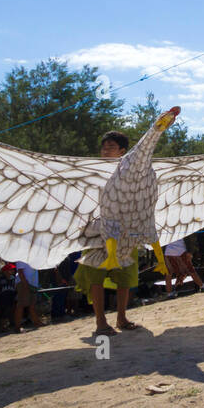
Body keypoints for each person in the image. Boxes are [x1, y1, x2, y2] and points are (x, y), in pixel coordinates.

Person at [73, 131, 141, 336]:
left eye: (111, 147)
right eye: (104, 147)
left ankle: (122, 317)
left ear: (122, 151)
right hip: (97, 230)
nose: (105, 150)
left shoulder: (131, 172)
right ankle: (100, 322)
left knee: (125, 276)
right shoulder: (91, 172)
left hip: (124, 230)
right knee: (95, 276)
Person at [12, 261, 42, 332]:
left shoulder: (32, 257)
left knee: (32, 304)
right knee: (21, 304)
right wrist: (25, 284)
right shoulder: (21, 258)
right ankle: (17, 327)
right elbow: (20, 272)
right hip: (24, 283)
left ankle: (37, 322)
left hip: (32, 284)